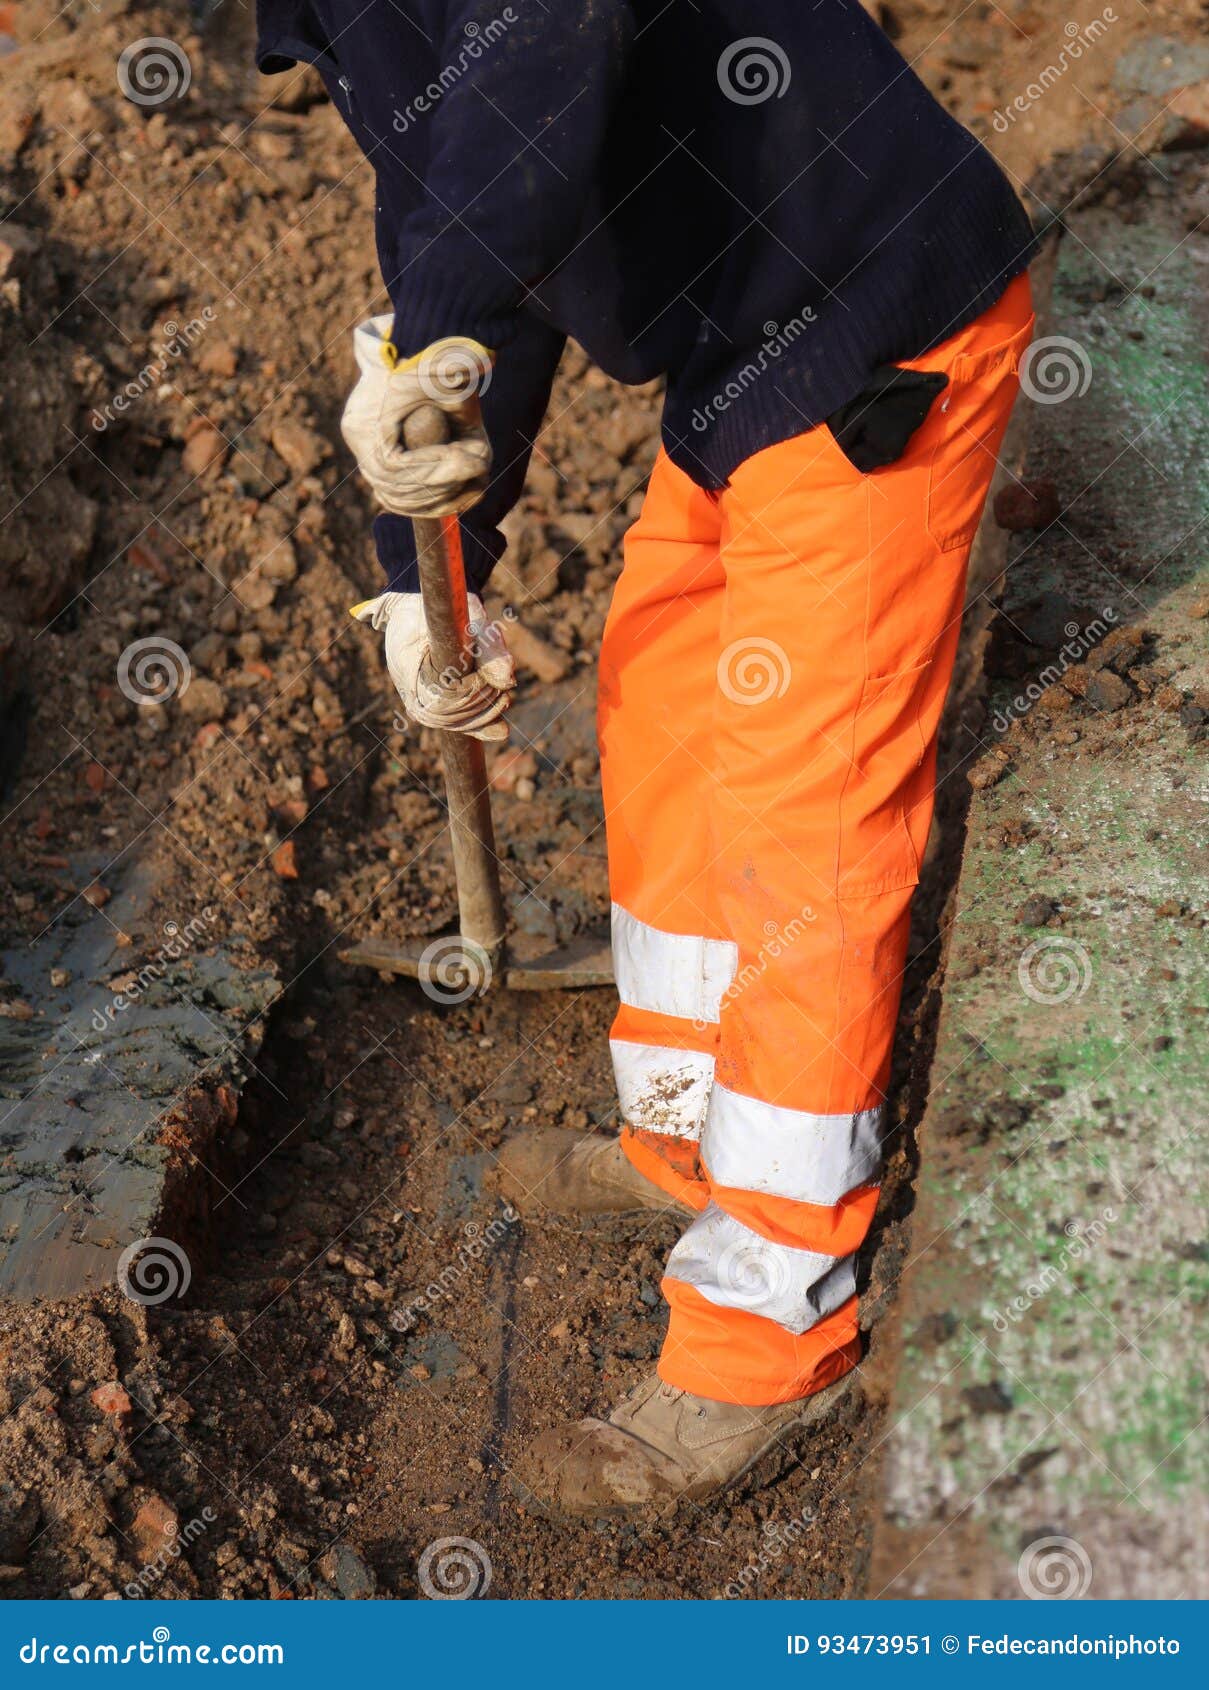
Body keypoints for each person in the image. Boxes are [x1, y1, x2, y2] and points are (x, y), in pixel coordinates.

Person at [255, 0, 1036, 1517]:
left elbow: (533, 82)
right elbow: (469, 249)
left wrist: (446, 307)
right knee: (667, 697)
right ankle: (684, 1126)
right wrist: (422, 575)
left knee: (806, 821)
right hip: (744, 350)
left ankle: (770, 1325)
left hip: (872, 323)